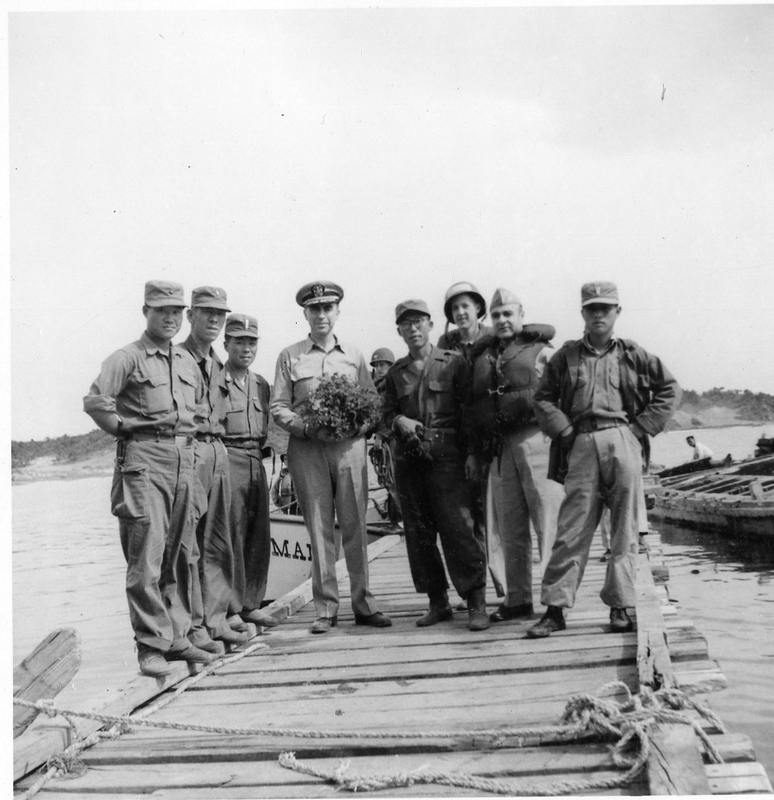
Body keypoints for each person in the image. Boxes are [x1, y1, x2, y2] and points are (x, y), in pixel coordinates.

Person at [529, 281, 680, 638]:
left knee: (624, 528)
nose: (599, 314)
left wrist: (641, 428)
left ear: (617, 313)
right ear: (582, 313)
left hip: (622, 439)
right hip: (580, 441)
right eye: (592, 308)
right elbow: (543, 398)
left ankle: (620, 605)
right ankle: (555, 609)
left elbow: (669, 388)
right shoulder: (565, 356)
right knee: (572, 526)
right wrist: (564, 430)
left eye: (606, 308)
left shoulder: (632, 354)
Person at [83, 280, 216, 677]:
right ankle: (150, 646)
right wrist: (123, 427)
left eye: (177, 312)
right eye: (163, 311)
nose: (171, 318)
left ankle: (176, 636)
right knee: (147, 554)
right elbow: (96, 401)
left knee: (178, 550)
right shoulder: (127, 357)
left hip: (184, 459)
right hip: (143, 459)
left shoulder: (187, 362)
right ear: (146, 312)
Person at [270, 281, 391, 634]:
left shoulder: (353, 355)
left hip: (349, 449)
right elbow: (278, 405)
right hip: (307, 449)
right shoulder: (289, 356)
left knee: (354, 524)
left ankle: (364, 604)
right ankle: (325, 609)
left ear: (337, 312)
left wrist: (358, 425)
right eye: (314, 309)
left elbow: (372, 403)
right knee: (319, 527)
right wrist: (305, 427)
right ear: (305, 314)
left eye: (328, 308)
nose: (321, 315)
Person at [382, 299, 489, 631]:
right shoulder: (395, 373)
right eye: (406, 324)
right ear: (398, 330)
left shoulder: (453, 363)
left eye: (419, 322)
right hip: (409, 460)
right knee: (418, 533)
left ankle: (476, 602)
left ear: (430, 325)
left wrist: (473, 454)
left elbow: (470, 411)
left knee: (459, 528)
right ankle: (437, 602)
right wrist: (398, 419)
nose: (413, 329)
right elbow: (383, 416)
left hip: (447, 456)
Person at [465, 288, 564, 622]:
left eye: (508, 313)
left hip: (539, 443)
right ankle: (519, 599)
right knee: (511, 529)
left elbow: (563, 397)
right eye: (496, 316)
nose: (503, 320)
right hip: (500, 448)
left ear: (521, 315)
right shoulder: (486, 354)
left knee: (547, 523)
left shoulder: (541, 351)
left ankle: (555, 603)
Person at [181, 286, 249, 649]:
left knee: (218, 541)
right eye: (206, 312)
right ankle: (192, 627)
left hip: (217, 450)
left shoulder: (220, 366)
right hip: (189, 452)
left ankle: (216, 619)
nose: (213, 320)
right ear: (190, 315)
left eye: (220, 315)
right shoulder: (176, 358)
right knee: (187, 545)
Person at [218, 313, 278, 630]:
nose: (246, 348)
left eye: (251, 342)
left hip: (257, 460)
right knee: (231, 535)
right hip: (229, 459)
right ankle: (230, 608)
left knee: (258, 534)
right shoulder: (216, 380)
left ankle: (252, 604)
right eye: (239, 341)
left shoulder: (261, 384)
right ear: (226, 343)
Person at [437, 281, 491, 356]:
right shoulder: (445, 342)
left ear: (477, 308)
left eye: (465, 306)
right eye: (455, 308)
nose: (460, 312)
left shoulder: (493, 337)